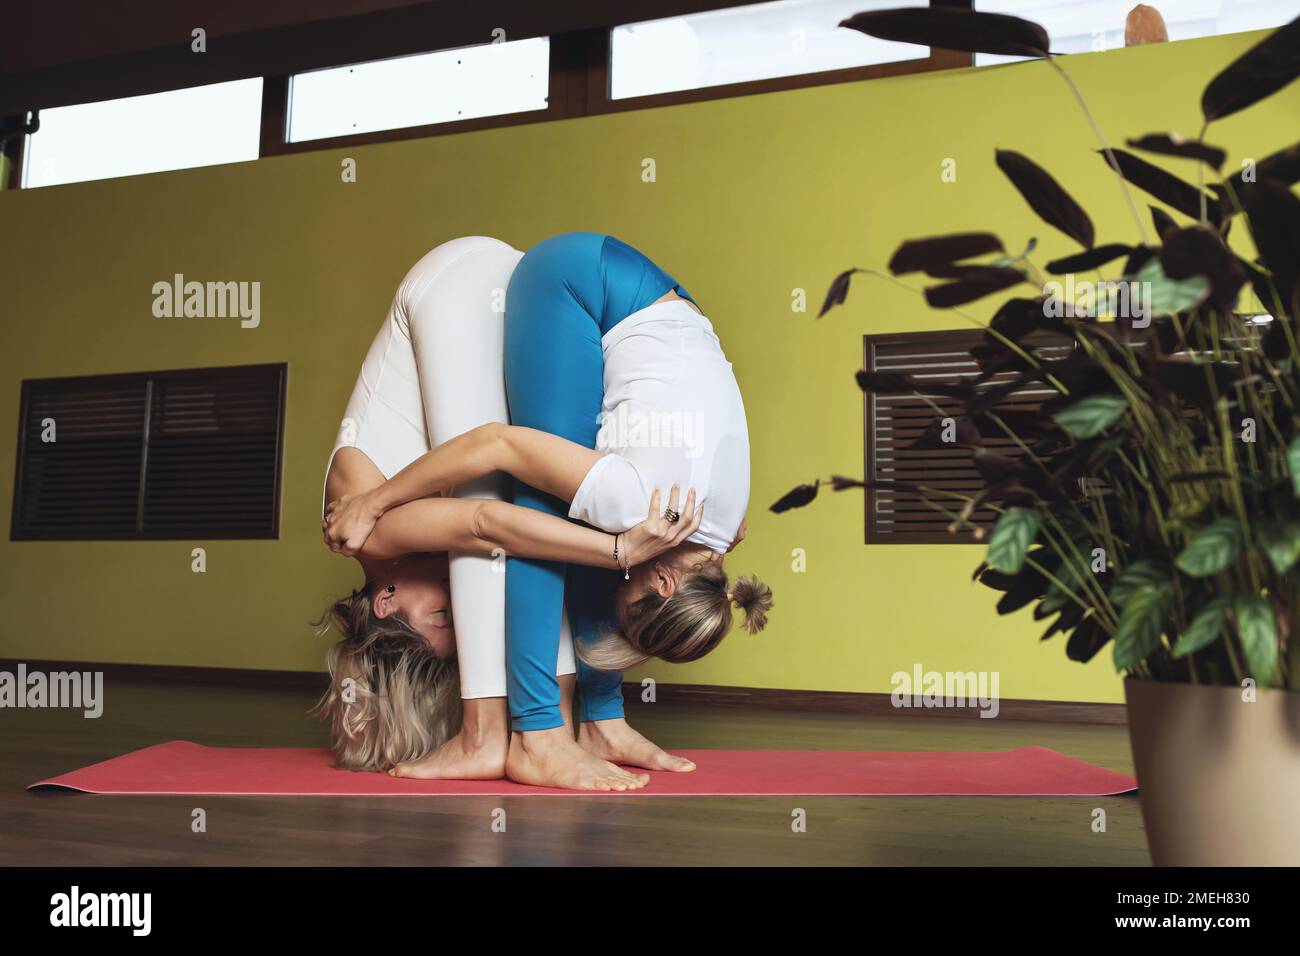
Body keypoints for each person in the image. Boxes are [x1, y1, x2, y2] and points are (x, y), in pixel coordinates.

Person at [326, 232, 772, 791]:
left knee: (563, 509)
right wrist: (617, 553)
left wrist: (622, 552)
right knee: (540, 510)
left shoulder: (718, 528)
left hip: (579, 282)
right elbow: (491, 515)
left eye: (443, 621)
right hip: (564, 281)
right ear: (664, 580)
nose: (457, 618)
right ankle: (535, 734)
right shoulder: (374, 531)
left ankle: (587, 721)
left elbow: (501, 507)